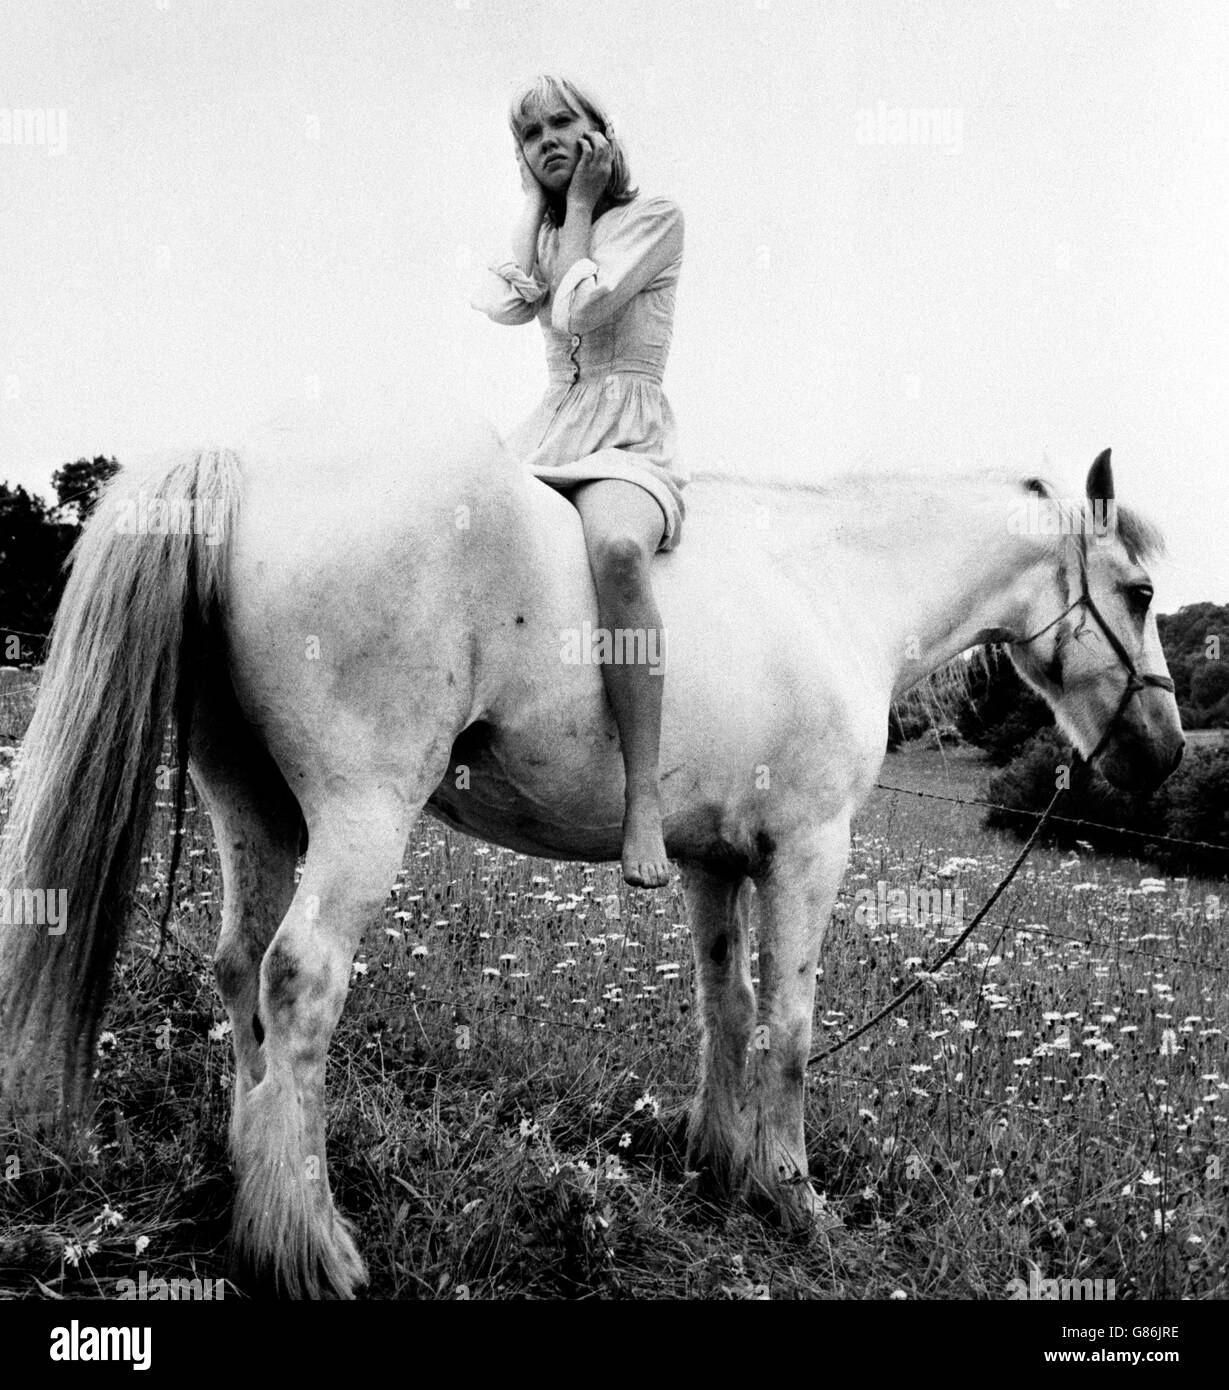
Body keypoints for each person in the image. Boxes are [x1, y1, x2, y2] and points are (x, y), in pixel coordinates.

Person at [472, 75, 686, 889]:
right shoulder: (552, 230)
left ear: (602, 130)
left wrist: (584, 209)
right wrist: (538, 202)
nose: (550, 140)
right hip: (547, 431)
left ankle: (642, 799)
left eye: (565, 123)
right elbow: (498, 302)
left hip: (624, 437)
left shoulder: (655, 217)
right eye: (530, 136)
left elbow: (580, 312)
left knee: (620, 553)